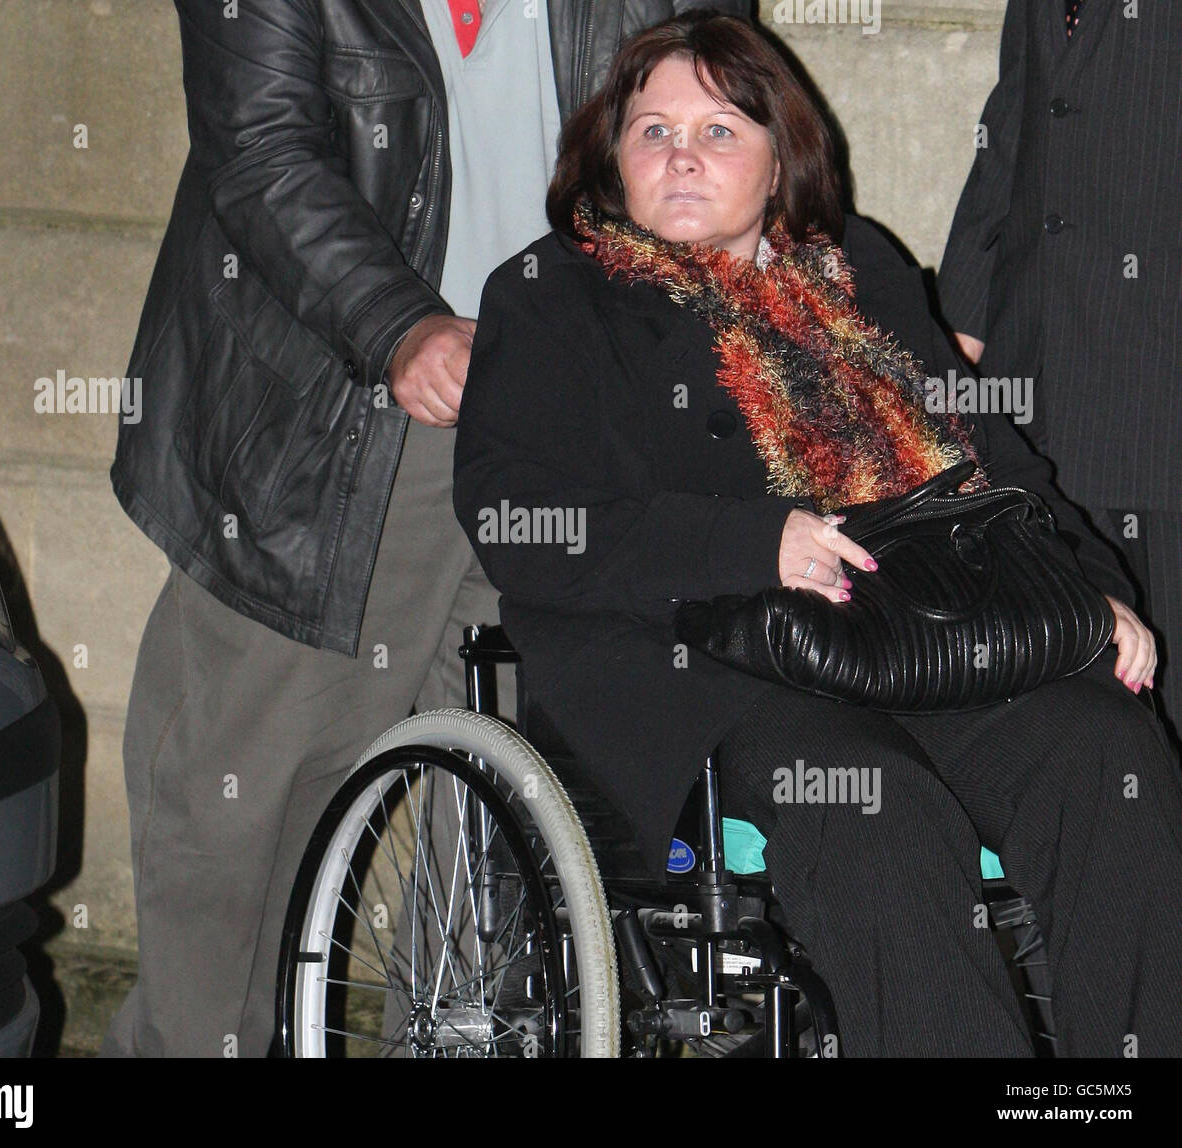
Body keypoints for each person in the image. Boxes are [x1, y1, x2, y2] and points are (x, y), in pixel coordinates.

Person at [453, 10, 1182, 1057]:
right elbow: (518, 523)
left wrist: (1088, 589)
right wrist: (753, 543)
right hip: (702, 662)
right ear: (609, 156)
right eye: (651, 132)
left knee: (1101, 751)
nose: (682, 156)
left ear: (781, 154)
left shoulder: (856, 267)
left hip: (908, 630)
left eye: (718, 130)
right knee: (871, 801)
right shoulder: (551, 296)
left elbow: (991, 459)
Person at [104, 0, 753, 1057]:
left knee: (504, 816)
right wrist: (397, 324)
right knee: (245, 802)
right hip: (329, 420)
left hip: (564, 423)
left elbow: (727, 113)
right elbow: (258, 147)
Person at [939, 0, 1182, 737]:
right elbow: (1012, 134)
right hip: (1036, 397)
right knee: (1082, 700)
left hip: (1157, 396)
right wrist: (957, 337)